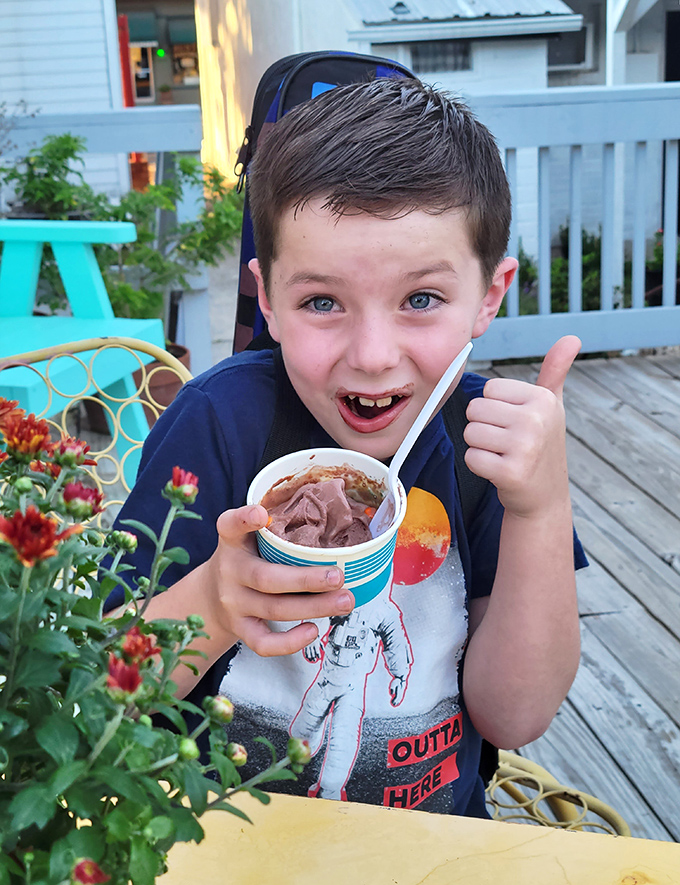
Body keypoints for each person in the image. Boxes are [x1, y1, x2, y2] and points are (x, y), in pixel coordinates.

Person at [110, 76, 586, 817]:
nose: (371, 354)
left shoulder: (486, 444)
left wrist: (541, 508)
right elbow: (96, 692)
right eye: (322, 302)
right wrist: (209, 600)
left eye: (421, 299)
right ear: (266, 299)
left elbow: (515, 717)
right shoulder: (219, 423)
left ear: (489, 295)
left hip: (433, 845)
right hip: (216, 837)